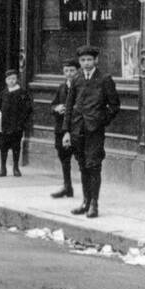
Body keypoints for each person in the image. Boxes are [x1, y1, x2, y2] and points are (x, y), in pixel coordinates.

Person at [63, 45, 120, 219]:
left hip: (94, 130)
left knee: (93, 165)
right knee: (82, 165)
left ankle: (94, 204)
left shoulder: (105, 79)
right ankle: (85, 202)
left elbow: (114, 106)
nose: (86, 63)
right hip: (77, 129)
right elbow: (69, 106)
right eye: (82, 60)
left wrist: (101, 121)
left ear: (96, 60)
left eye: (89, 60)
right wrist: (66, 131)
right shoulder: (77, 78)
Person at [0, 69, 34, 177]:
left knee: (16, 146)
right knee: (3, 146)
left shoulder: (22, 93)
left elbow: (28, 109)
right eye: (9, 79)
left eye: (13, 78)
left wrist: (23, 123)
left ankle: (16, 167)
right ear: (6, 81)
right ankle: (3, 168)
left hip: (16, 125)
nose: (11, 81)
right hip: (4, 125)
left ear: (17, 79)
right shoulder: (3, 93)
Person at [50, 61, 78, 199]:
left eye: (72, 71)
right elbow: (52, 104)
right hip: (61, 128)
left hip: (76, 127)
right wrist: (57, 108)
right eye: (66, 71)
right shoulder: (61, 87)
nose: (69, 74)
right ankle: (67, 186)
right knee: (63, 157)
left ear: (77, 71)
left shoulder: (80, 87)